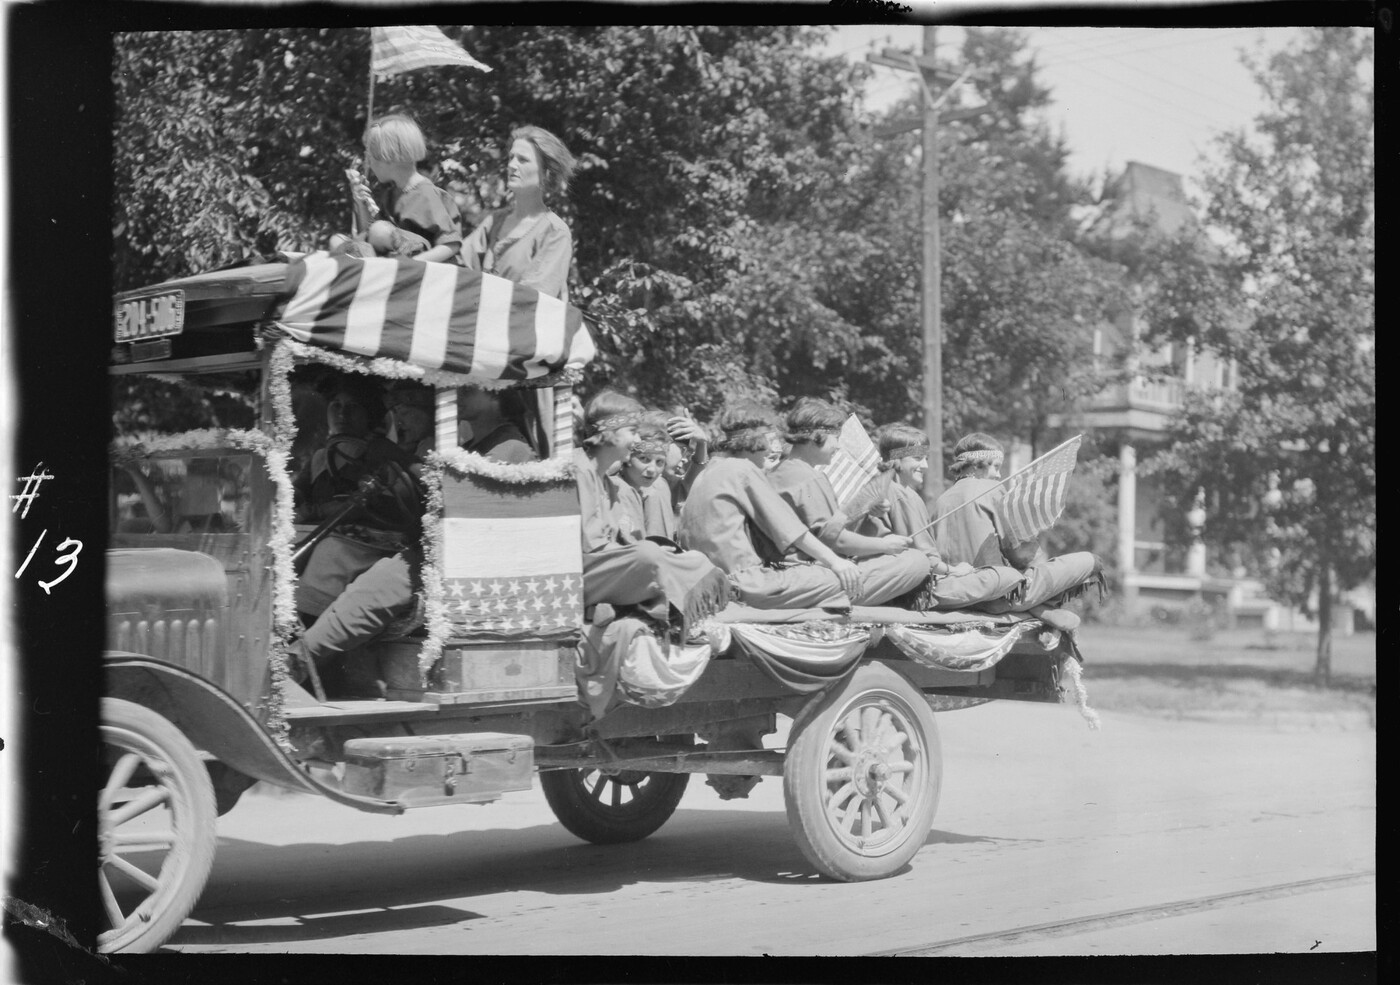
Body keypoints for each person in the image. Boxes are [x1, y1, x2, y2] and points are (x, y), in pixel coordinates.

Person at [677, 402, 864, 609]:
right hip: (746, 585)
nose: (772, 448)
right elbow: (790, 530)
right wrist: (836, 562)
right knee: (845, 577)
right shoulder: (744, 470)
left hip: (709, 581)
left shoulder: (709, 469)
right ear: (756, 441)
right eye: (770, 440)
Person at [575, 391, 730, 636]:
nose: (637, 440)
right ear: (610, 433)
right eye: (633, 432)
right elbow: (592, 546)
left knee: (695, 560)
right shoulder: (581, 470)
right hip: (588, 573)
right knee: (649, 554)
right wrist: (653, 554)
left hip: (616, 565)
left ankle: (632, 607)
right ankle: (649, 610)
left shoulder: (607, 480)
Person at [765, 399, 930, 606]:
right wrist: (885, 545)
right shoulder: (810, 478)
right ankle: (833, 601)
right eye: (836, 438)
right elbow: (835, 541)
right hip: (807, 577)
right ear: (819, 437)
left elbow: (821, 530)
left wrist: (860, 509)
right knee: (916, 561)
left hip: (783, 573)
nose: (838, 446)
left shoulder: (777, 472)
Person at [934, 432, 1104, 621]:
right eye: (996, 467)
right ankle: (1040, 610)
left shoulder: (942, 500)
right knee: (1091, 561)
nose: (999, 474)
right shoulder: (991, 490)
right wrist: (1044, 567)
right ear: (977, 465)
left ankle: (1038, 610)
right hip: (995, 597)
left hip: (955, 594)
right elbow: (1020, 554)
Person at [858, 423, 1025, 611]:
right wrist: (955, 570)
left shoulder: (890, 490)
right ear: (896, 459)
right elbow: (925, 559)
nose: (925, 465)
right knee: (1009, 576)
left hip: (900, 584)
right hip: (918, 591)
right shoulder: (901, 494)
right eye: (918, 458)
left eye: (926, 458)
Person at [460, 126, 576, 300]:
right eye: (511, 158)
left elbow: (534, 300)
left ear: (546, 173)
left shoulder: (554, 232)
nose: (512, 165)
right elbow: (459, 266)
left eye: (523, 160)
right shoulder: (495, 220)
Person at [348, 114, 464, 264]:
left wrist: (412, 265)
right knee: (338, 241)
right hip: (395, 264)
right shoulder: (391, 195)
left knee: (380, 230)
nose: (369, 164)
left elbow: (451, 245)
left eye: (371, 158)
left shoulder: (427, 194)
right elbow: (368, 238)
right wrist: (361, 202)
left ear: (388, 157)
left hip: (427, 269)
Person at [611, 413, 674, 541]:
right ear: (628, 458)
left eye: (659, 462)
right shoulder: (621, 489)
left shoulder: (640, 490)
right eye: (644, 459)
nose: (652, 469)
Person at [457, 385, 537, 463]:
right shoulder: (468, 446)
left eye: (467, 390)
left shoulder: (509, 446)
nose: (457, 396)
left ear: (494, 392)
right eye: (457, 390)